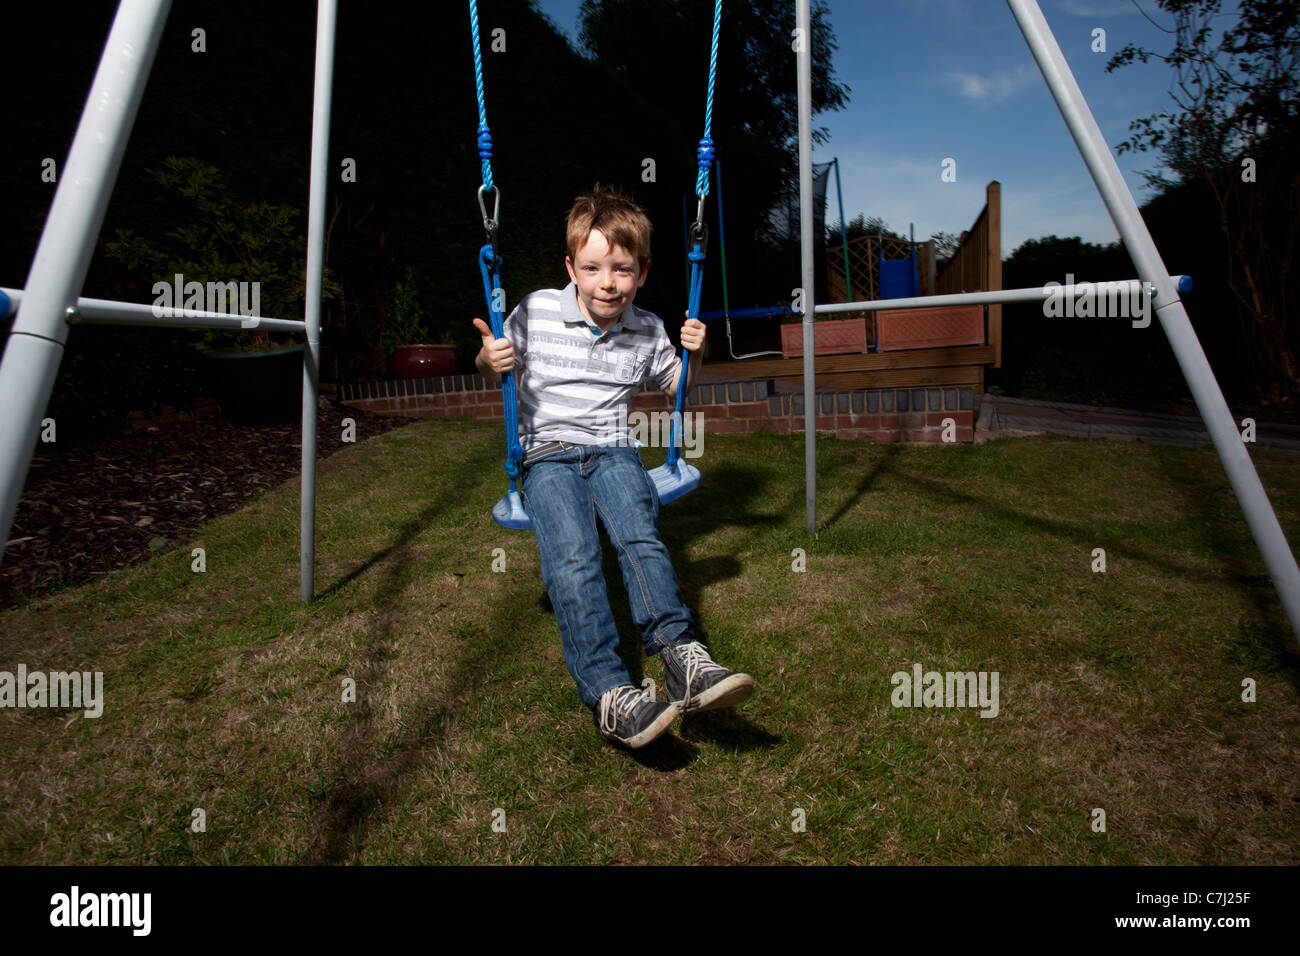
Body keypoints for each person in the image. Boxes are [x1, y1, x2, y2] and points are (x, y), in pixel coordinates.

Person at [473, 185, 754, 749]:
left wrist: (696, 354)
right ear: (571, 268)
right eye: (594, 268)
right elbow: (492, 371)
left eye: (622, 270)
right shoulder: (534, 311)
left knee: (640, 536)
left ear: (643, 272)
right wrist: (490, 358)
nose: (608, 283)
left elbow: (677, 390)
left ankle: (682, 659)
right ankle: (609, 691)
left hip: (615, 449)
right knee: (573, 558)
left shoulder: (647, 329)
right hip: (546, 455)